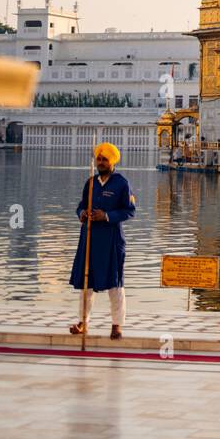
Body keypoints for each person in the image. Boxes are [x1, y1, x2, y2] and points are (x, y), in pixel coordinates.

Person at [69, 142, 135, 340]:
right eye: (99, 159)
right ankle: (83, 321)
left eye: (105, 159)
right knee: (86, 283)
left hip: (111, 240)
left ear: (112, 162)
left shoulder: (121, 184)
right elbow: (81, 205)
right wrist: (82, 213)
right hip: (89, 238)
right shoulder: (91, 183)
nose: (101, 162)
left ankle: (117, 325)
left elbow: (129, 211)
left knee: (115, 284)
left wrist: (106, 216)